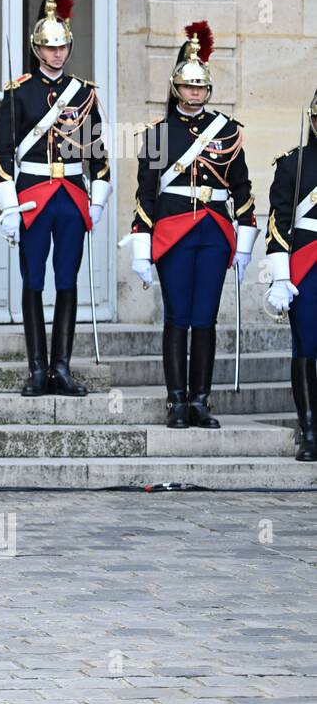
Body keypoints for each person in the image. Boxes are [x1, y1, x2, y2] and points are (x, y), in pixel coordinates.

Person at [129, 22, 257, 429]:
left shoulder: (228, 132)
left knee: (205, 318)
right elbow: (146, 194)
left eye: (201, 88)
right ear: (176, 89)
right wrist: (141, 244)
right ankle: (176, 401)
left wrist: (245, 240)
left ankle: (201, 401)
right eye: (189, 87)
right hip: (173, 235)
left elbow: (243, 189)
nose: (195, 94)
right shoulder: (158, 134)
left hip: (216, 234)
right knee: (177, 317)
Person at [0, 0, 110, 397]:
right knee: (33, 280)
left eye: (61, 47)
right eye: (48, 47)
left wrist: (98, 198)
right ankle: (37, 368)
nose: (55, 54)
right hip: (34, 196)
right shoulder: (19, 93)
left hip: (73, 196)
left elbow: (99, 153)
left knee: (66, 281)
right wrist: (7, 205)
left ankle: (62, 366)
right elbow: (2, 153)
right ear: (36, 49)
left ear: (69, 47)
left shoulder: (86, 94)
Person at [263, 90, 317, 460]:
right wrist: (280, 275)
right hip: (308, 265)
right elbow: (278, 223)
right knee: (308, 345)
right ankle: (310, 429)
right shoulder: (293, 165)